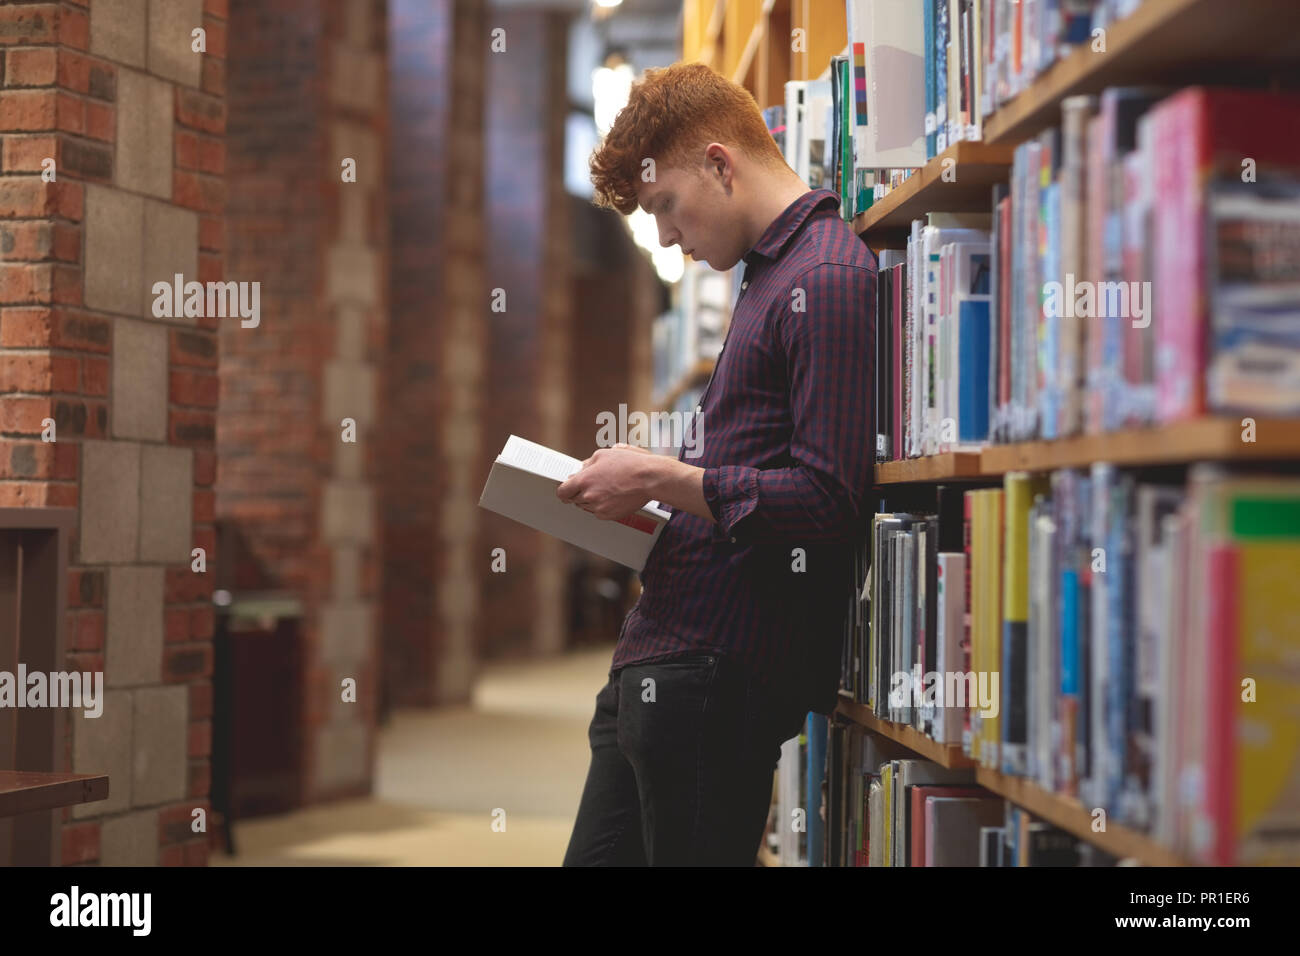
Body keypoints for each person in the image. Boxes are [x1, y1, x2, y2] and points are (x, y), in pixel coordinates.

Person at [557, 61, 876, 866]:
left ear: (720, 164)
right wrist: (661, 498)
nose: (665, 236)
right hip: (659, 654)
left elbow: (830, 498)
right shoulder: (767, 278)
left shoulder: (826, 277)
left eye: (665, 205)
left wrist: (666, 480)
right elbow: (753, 467)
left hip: (713, 677)